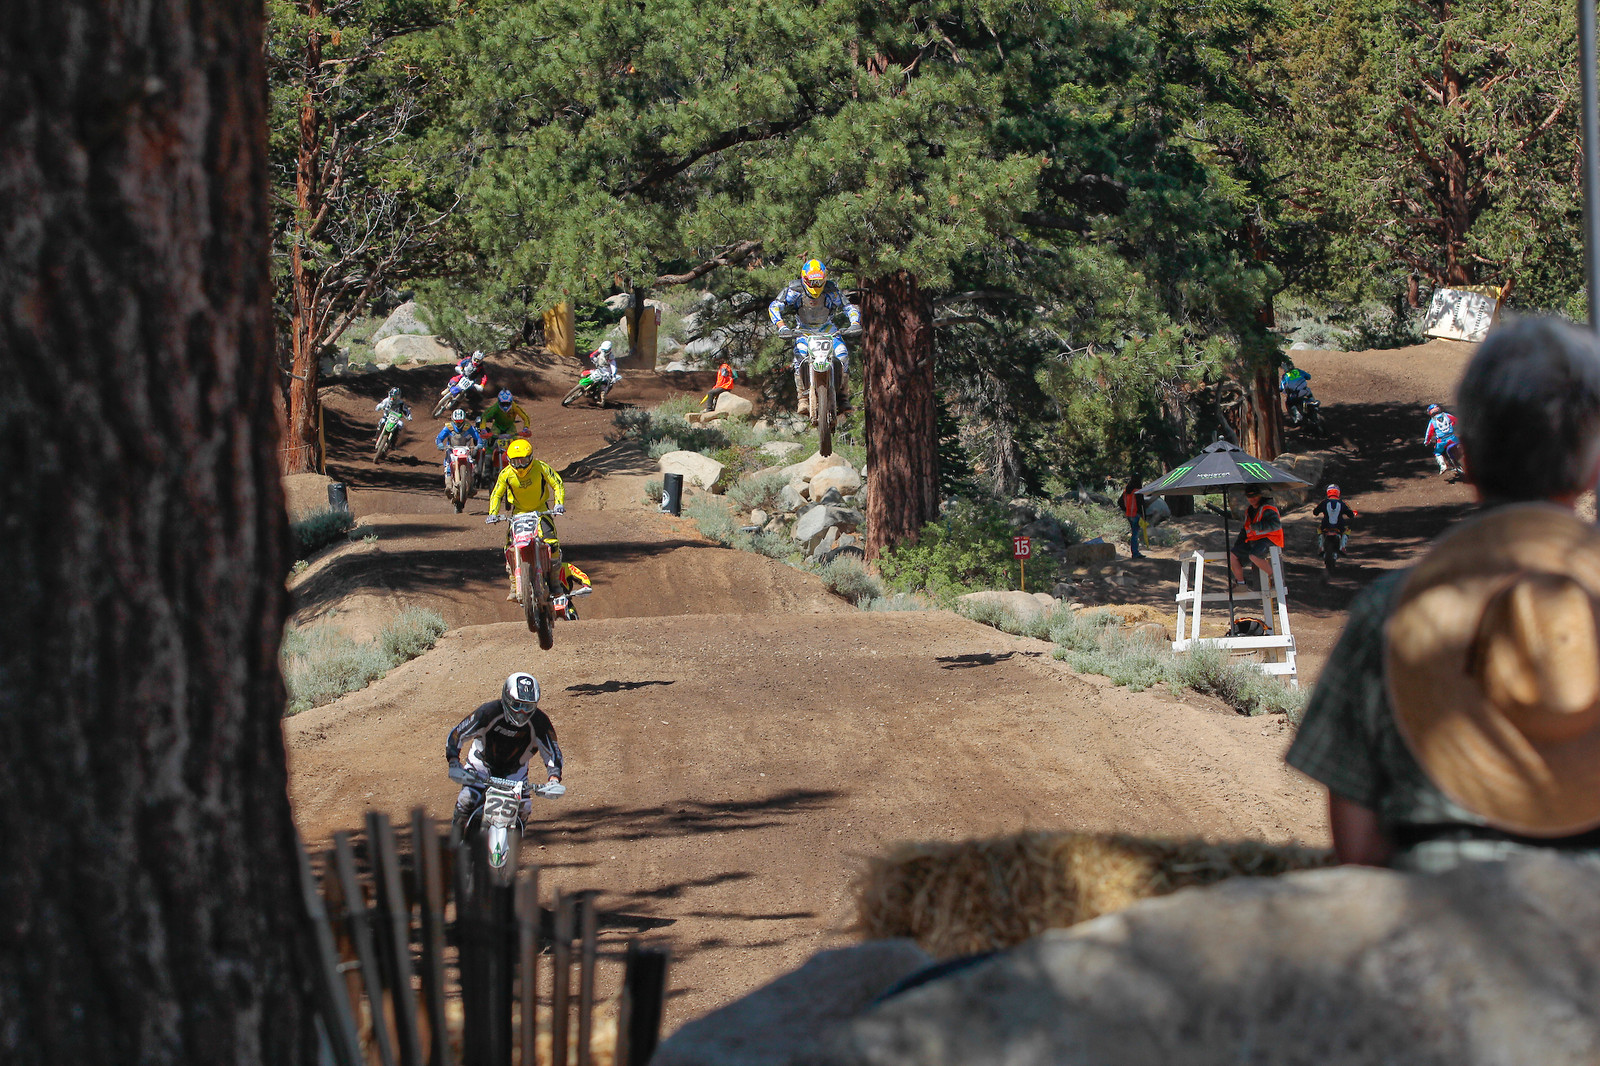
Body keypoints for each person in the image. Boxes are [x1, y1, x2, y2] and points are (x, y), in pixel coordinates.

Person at [1286, 316, 1600, 874]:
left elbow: (1356, 849)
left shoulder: (1389, 609)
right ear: (1593, 468)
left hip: (1434, 915)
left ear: (1469, 456)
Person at [445, 672, 564, 839]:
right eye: (517, 704)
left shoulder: (539, 722)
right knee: (466, 800)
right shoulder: (488, 712)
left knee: (524, 809)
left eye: (527, 706)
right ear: (506, 699)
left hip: (514, 773)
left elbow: (553, 752)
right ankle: (454, 846)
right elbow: (458, 733)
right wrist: (453, 761)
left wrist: (554, 779)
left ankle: (513, 849)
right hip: (481, 766)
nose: (522, 712)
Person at [486, 437, 590, 606]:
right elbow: (496, 494)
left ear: (531, 457)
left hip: (541, 510)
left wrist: (559, 504)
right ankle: (514, 586)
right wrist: (493, 513)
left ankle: (556, 584)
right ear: (509, 461)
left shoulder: (541, 467)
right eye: (515, 461)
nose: (520, 465)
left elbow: (557, 483)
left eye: (524, 460)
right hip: (518, 513)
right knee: (509, 546)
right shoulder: (505, 474)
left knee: (553, 543)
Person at [768, 258, 861, 416]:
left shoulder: (831, 290)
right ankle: (802, 397)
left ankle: (843, 396)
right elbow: (775, 306)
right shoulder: (795, 290)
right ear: (804, 279)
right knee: (799, 357)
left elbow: (848, 306)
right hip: (804, 330)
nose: (816, 286)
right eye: (812, 282)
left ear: (824, 280)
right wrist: (782, 326)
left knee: (843, 355)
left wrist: (854, 322)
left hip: (828, 329)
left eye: (819, 282)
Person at [1228, 486, 1282, 586]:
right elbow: (1245, 530)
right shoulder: (1249, 511)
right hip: (1254, 540)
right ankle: (1240, 584)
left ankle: (1275, 577)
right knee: (1232, 555)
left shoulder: (1268, 508)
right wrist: (1238, 545)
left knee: (1254, 556)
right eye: (1249, 496)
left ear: (1260, 495)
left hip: (1271, 539)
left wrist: (1257, 526)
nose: (1252, 499)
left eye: (1255, 496)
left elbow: (1276, 525)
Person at [477, 388, 530, 467]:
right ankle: (487, 469)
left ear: (511, 402)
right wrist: (483, 429)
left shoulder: (515, 407)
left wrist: (526, 428)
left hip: (510, 427)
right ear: (499, 402)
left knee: (516, 444)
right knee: (490, 444)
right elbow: (484, 417)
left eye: (507, 403)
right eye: (503, 404)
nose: (505, 406)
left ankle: (520, 464)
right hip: (497, 427)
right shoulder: (495, 408)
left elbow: (525, 417)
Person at [435, 408, 481, 485]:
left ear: (463, 420)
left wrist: (479, 444)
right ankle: (448, 481)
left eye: (460, 421)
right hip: (452, 449)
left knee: (471, 464)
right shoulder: (449, 427)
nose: (459, 423)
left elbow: (477, 437)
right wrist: (440, 444)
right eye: (457, 421)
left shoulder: (468, 427)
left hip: (465, 449)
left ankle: (471, 483)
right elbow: (439, 438)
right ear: (453, 420)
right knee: (448, 463)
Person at [1312, 483, 1358, 561]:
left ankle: (1321, 547)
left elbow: (1315, 512)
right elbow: (1350, 514)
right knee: (1347, 530)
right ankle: (1342, 547)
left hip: (1325, 525)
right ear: (1338, 493)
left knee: (1319, 530)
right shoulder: (1343, 503)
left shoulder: (1324, 502)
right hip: (1340, 526)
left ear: (1328, 492)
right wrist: (1352, 514)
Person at [1423, 403, 1460, 474]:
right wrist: (1452, 424)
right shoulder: (1447, 415)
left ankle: (1443, 465)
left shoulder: (1432, 421)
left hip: (1442, 441)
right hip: (1452, 438)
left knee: (1437, 452)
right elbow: (1456, 420)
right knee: (1460, 443)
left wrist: (1427, 441)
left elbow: (1429, 433)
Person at [1119, 479, 1146, 559]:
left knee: (1134, 533)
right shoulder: (1137, 491)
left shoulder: (1126, 491)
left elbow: (1119, 502)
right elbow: (1142, 505)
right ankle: (1135, 553)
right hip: (1136, 515)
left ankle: (1135, 552)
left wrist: (1125, 509)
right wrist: (1144, 517)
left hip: (1129, 515)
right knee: (1135, 534)